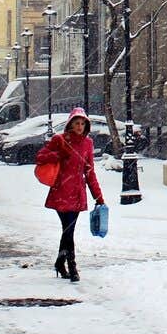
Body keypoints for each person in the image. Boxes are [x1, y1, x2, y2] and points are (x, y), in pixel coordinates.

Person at [35, 106, 106, 282]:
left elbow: (89, 172)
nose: (80, 127)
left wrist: (98, 197)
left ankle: (61, 263)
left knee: (68, 230)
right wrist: (58, 154)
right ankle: (72, 266)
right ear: (70, 124)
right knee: (68, 229)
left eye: (82, 123)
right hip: (61, 191)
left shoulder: (88, 143)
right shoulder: (60, 140)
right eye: (77, 123)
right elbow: (41, 157)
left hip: (76, 192)